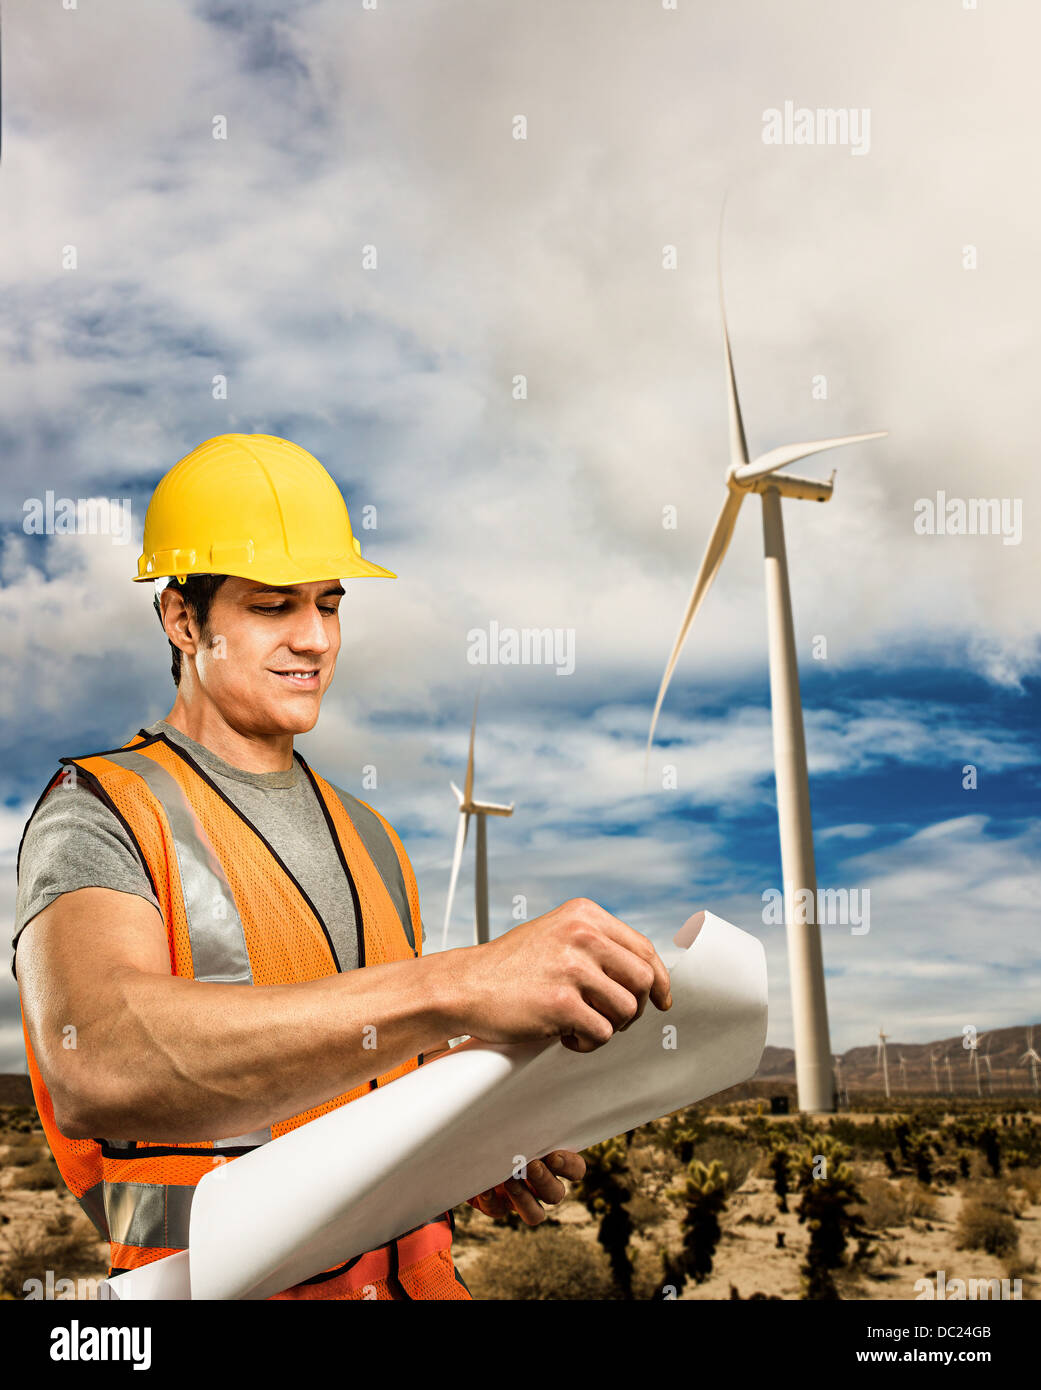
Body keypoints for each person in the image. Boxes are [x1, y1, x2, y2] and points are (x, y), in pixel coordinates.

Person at [13, 433, 672, 1300]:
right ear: (181, 620)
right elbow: (95, 1060)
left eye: (329, 603)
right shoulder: (103, 807)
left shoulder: (373, 836)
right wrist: (457, 984)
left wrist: (463, 1142)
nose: (316, 638)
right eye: (272, 606)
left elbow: (359, 1064)